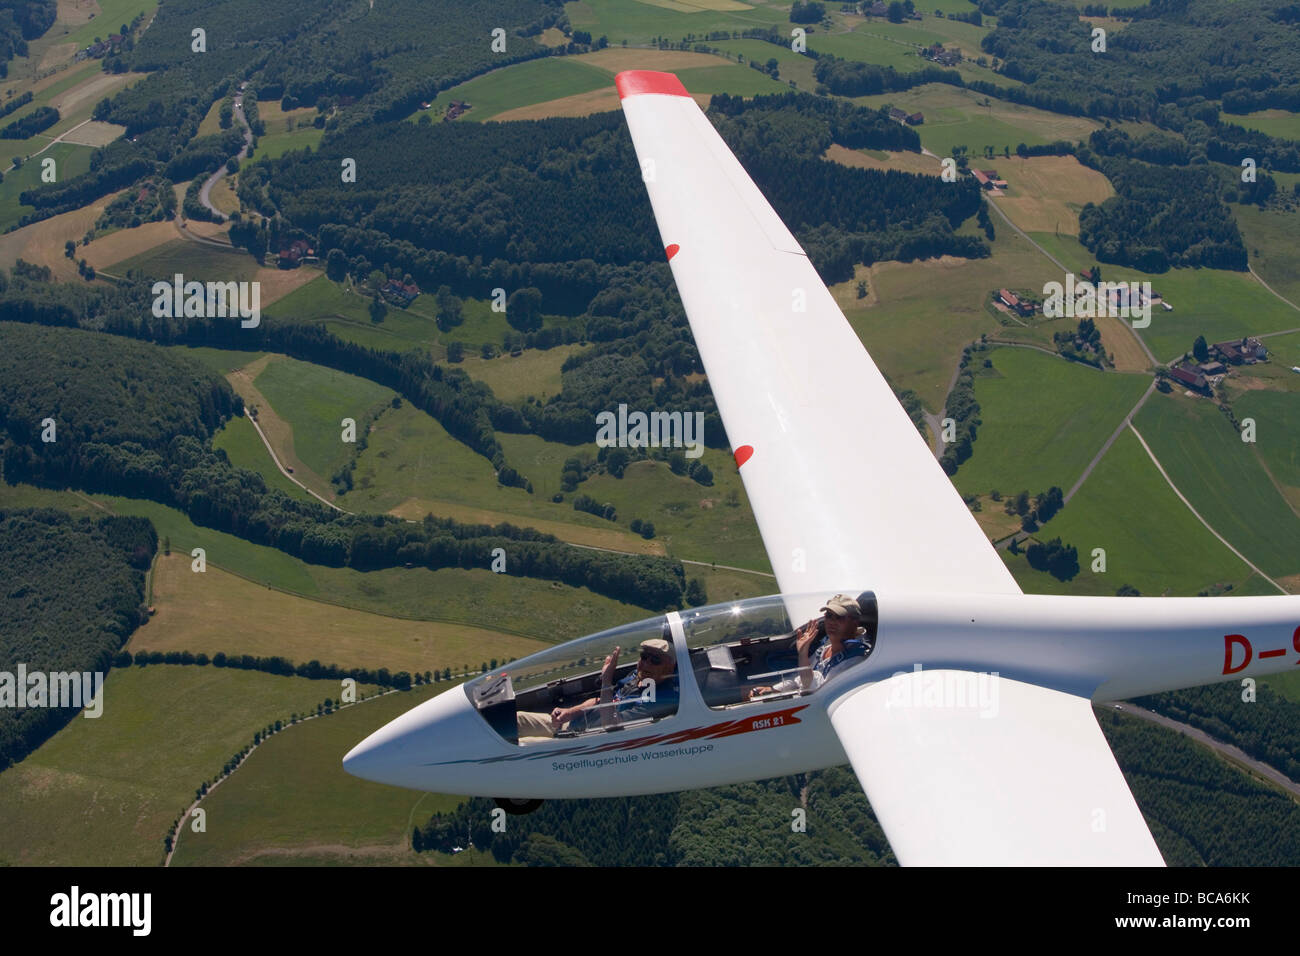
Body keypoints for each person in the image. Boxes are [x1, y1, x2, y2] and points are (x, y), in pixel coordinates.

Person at [516, 638, 678, 740]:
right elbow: (601, 701)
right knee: (517, 719)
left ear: (669, 668)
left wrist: (606, 680)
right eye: (644, 657)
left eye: (655, 660)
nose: (646, 663)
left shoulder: (659, 699)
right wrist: (570, 712)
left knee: (520, 746)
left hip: (580, 742)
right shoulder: (637, 676)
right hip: (572, 725)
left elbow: (612, 726)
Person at [748, 594, 868, 699]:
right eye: (829, 615)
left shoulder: (857, 659)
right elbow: (800, 677)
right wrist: (774, 690)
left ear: (855, 622)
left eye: (839, 617)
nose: (832, 621)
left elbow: (816, 691)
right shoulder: (825, 646)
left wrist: (803, 654)